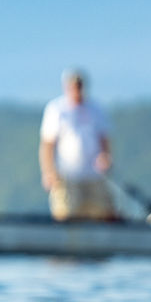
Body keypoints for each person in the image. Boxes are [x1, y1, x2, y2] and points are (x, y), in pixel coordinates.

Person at [39, 68, 116, 221]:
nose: (77, 89)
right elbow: (47, 145)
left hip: (94, 175)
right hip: (67, 176)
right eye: (73, 86)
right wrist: (48, 171)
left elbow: (104, 138)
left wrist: (106, 157)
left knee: (104, 213)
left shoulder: (95, 108)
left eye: (79, 85)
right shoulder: (57, 109)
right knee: (66, 215)